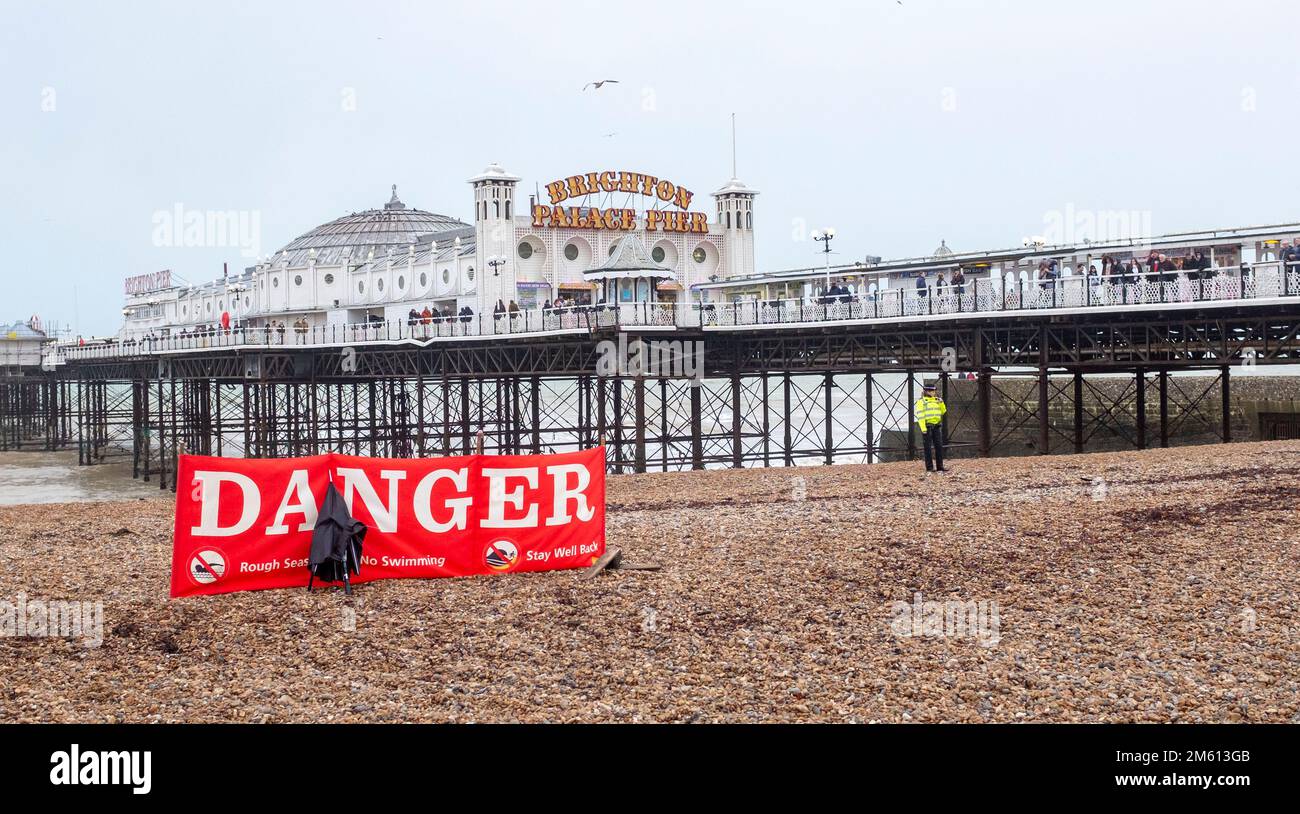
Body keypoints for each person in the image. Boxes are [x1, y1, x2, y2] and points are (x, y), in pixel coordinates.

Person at [914, 381, 948, 473]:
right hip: (927, 427)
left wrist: (941, 403)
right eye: (932, 391)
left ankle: (940, 467)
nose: (934, 392)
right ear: (927, 391)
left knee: (939, 447)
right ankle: (929, 468)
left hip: (937, 426)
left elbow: (943, 411)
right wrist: (923, 429)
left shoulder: (937, 400)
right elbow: (920, 416)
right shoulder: (921, 402)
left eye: (934, 391)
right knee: (928, 448)